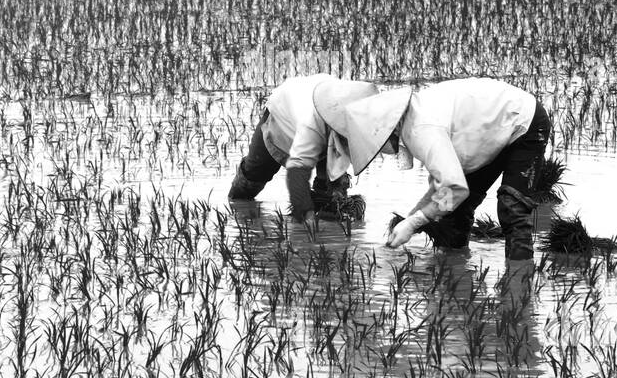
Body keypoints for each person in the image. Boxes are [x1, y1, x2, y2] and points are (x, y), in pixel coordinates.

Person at [324, 77, 553, 261]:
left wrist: (413, 223)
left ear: (388, 132)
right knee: (452, 214)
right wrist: (411, 219)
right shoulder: (412, 123)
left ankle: (519, 287)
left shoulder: (422, 129)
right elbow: (441, 193)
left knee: (512, 208)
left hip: (524, 122)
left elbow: (454, 190)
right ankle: (455, 268)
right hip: (485, 132)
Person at [228, 75, 379, 235]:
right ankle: (236, 212)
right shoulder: (309, 125)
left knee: (333, 197)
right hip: (281, 118)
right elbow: (297, 174)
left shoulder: (356, 108)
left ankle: (331, 241)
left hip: (327, 115)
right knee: (251, 180)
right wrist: (306, 214)